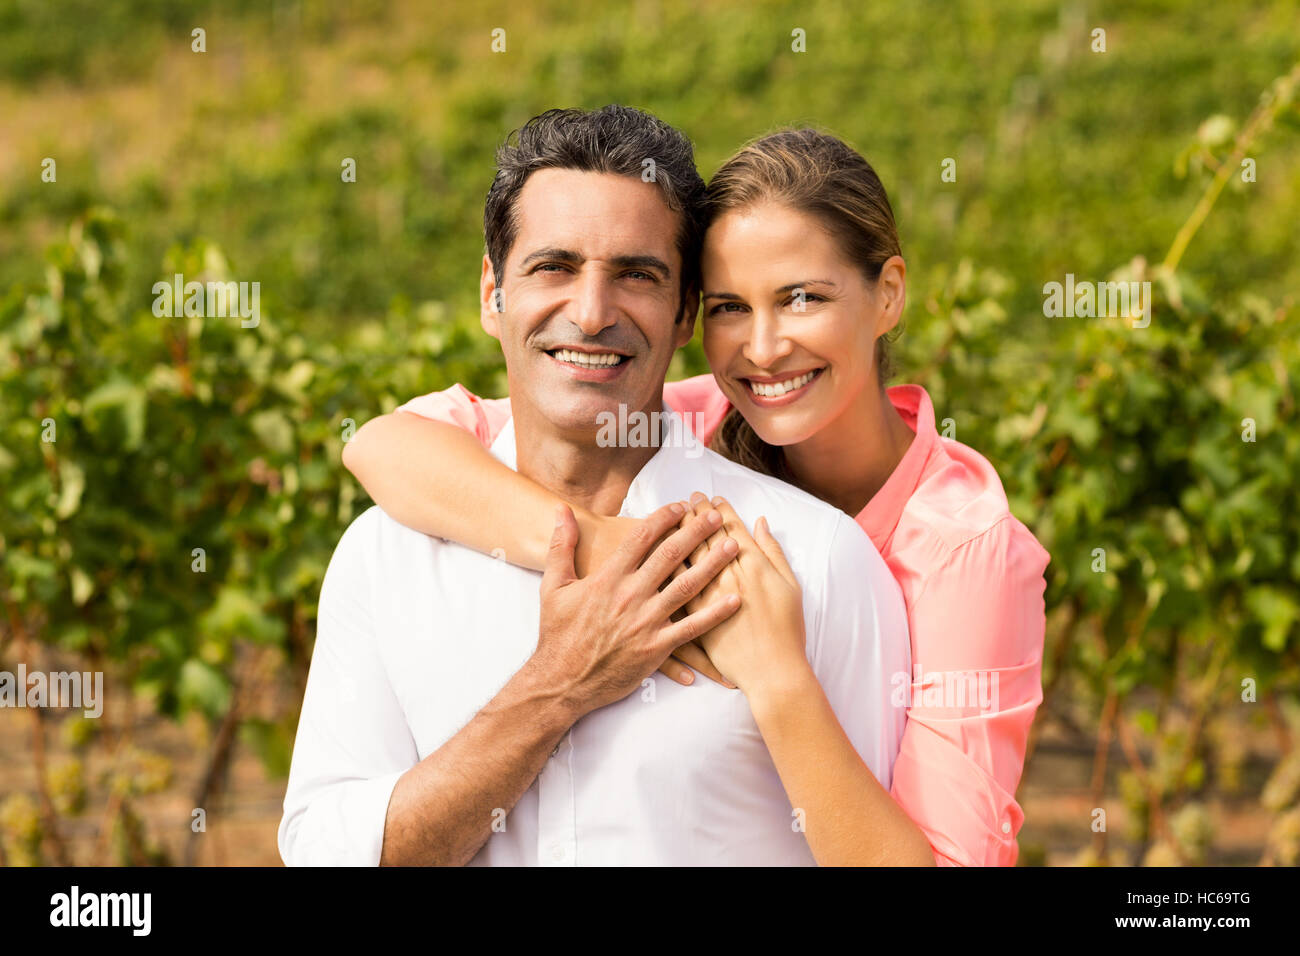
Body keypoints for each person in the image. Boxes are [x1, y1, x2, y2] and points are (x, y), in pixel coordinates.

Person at [344, 125, 1052, 866]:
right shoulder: (692, 413)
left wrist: (776, 676)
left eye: (803, 298)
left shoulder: (965, 552)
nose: (765, 347)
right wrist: (606, 543)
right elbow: (386, 446)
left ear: (889, 295)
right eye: (728, 308)